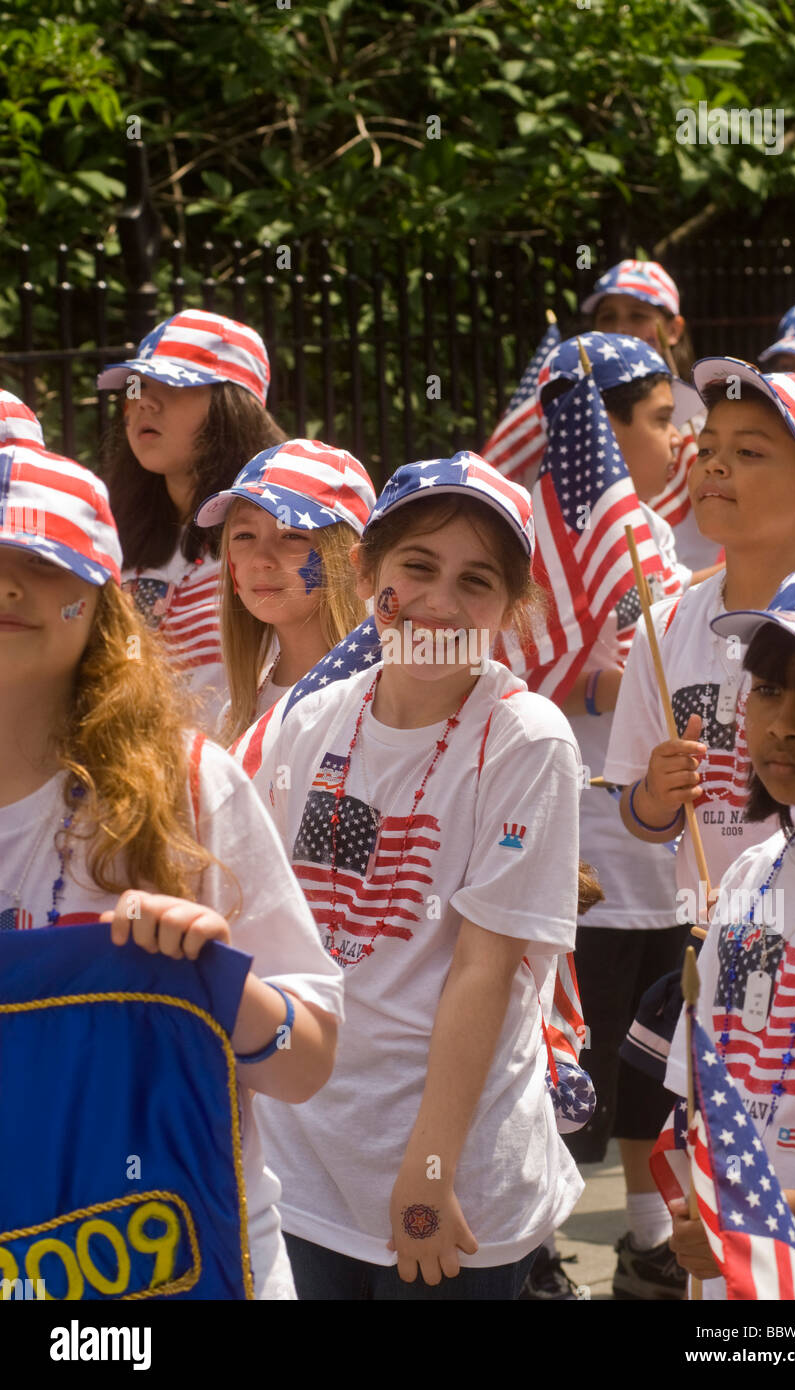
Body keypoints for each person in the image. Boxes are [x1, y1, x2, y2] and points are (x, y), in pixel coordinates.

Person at [0, 440, 343, 1297]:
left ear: (99, 598)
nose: (6, 584)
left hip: (185, 1259)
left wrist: (217, 980)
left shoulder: (187, 784)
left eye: (39, 561)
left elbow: (305, 1065)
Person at [239, 451, 584, 1300]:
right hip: (302, 1168)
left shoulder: (524, 739)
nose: (439, 601)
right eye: (417, 567)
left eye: (477, 582)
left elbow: (484, 971)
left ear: (512, 607)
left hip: (450, 1173)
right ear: (365, 572)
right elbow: (264, 933)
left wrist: (429, 1169)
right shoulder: (307, 721)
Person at [603, 359, 795, 1292]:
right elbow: (635, 815)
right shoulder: (667, 625)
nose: (713, 467)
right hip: (725, 933)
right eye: (707, 448)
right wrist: (659, 799)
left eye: (749, 452)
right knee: (736, 1143)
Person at [534, 332, 707, 1298]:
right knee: (570, 1065)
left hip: (666, 862)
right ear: (600, 429)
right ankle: (532, 1246)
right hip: (586, 852)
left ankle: (646, 1238)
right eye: (656, 419)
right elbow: (516, 666)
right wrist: (596, 682)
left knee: (655, 1066)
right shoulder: (558, 534)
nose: (677, 439)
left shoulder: (649, 533)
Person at [667, 553, 795, 1299]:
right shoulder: (749, 880)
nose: (783, 724)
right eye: (769, 690)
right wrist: (703, 1217)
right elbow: (701, 1102)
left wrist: (790, 1215)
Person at [97, 309, 285, 731]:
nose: (144, 399)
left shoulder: (287, 535)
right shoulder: (111, 535)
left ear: (233, 406)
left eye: (171, 384)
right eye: (137, 385)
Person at [192, 438, 376, 742]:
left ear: (351, 557)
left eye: (292, 535)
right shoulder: (234, 716)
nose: (261, 560)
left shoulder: (385, 699)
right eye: (244, 535)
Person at [582, 257, 717, 571]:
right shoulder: (579, 413)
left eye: (638, 315)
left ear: (673, 329)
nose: (621, 329)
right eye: (608, 316)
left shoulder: (713, 419)